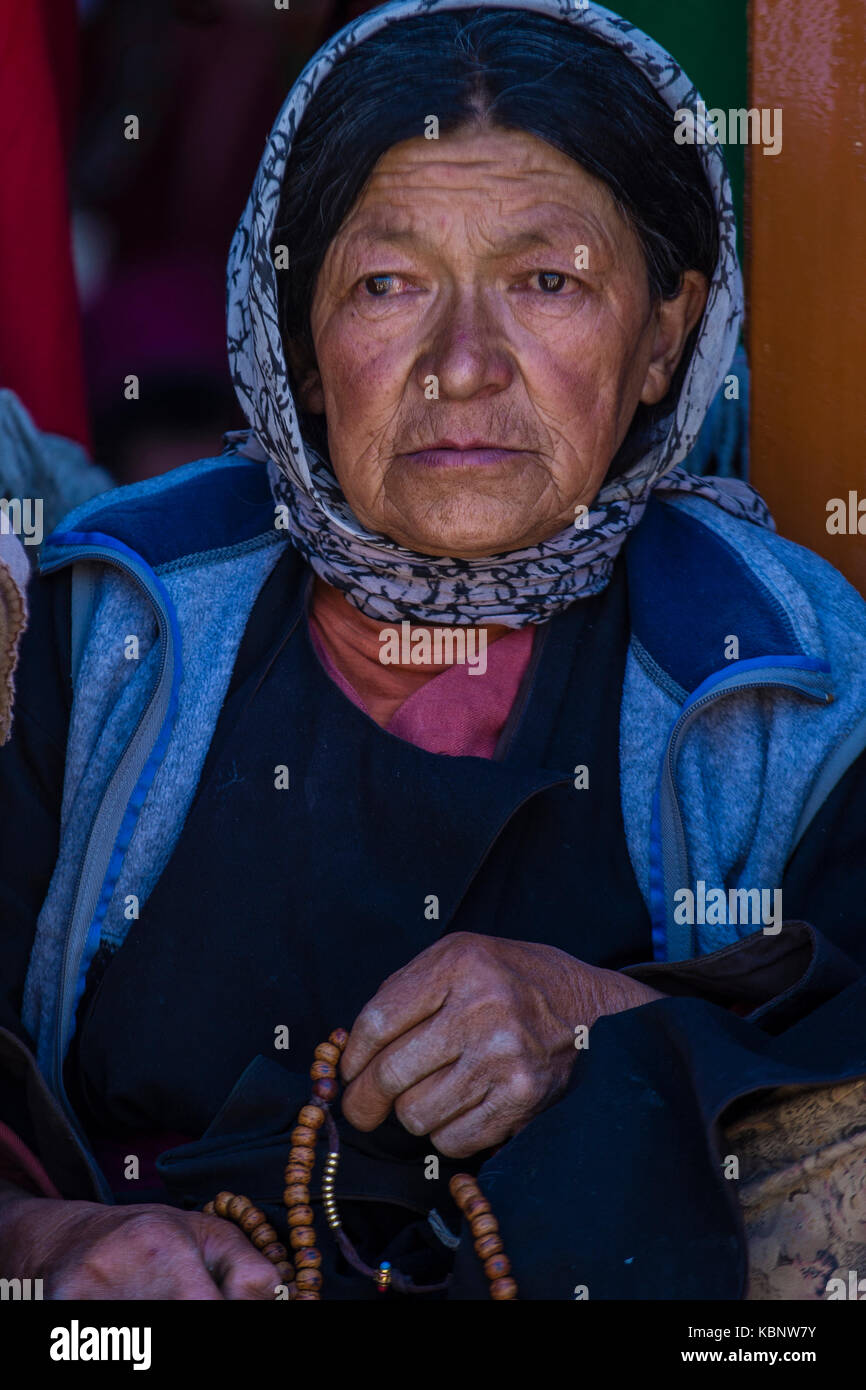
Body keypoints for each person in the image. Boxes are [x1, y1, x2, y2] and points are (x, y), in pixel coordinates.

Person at [1, 0, 866, 1302]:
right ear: (297, 335)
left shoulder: (782, 685)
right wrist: (44, 1234)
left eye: (547, 281)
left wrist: (602, 1017)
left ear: (662, 336)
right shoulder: (107, 623)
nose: (462, 367)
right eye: (388, 284)